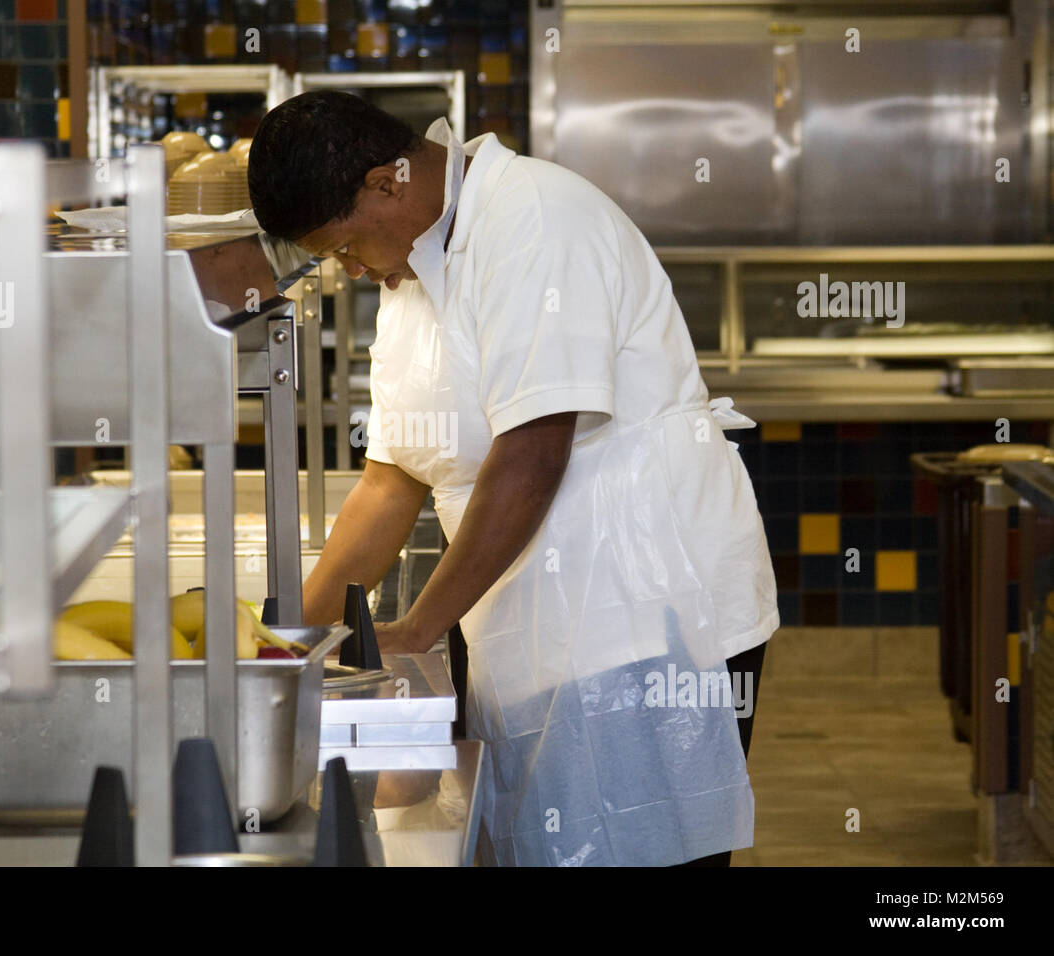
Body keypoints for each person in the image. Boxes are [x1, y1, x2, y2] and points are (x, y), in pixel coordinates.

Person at [248, 91, 779, 867]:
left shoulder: (535, 219)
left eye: (345, 247)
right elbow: (392, 481)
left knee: (647, 849)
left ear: (388, 182)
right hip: (532, 624)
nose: (353, 271)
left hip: (651, 615)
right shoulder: (412, 273)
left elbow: (532, 455)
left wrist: (417, 629)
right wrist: (283, 649)